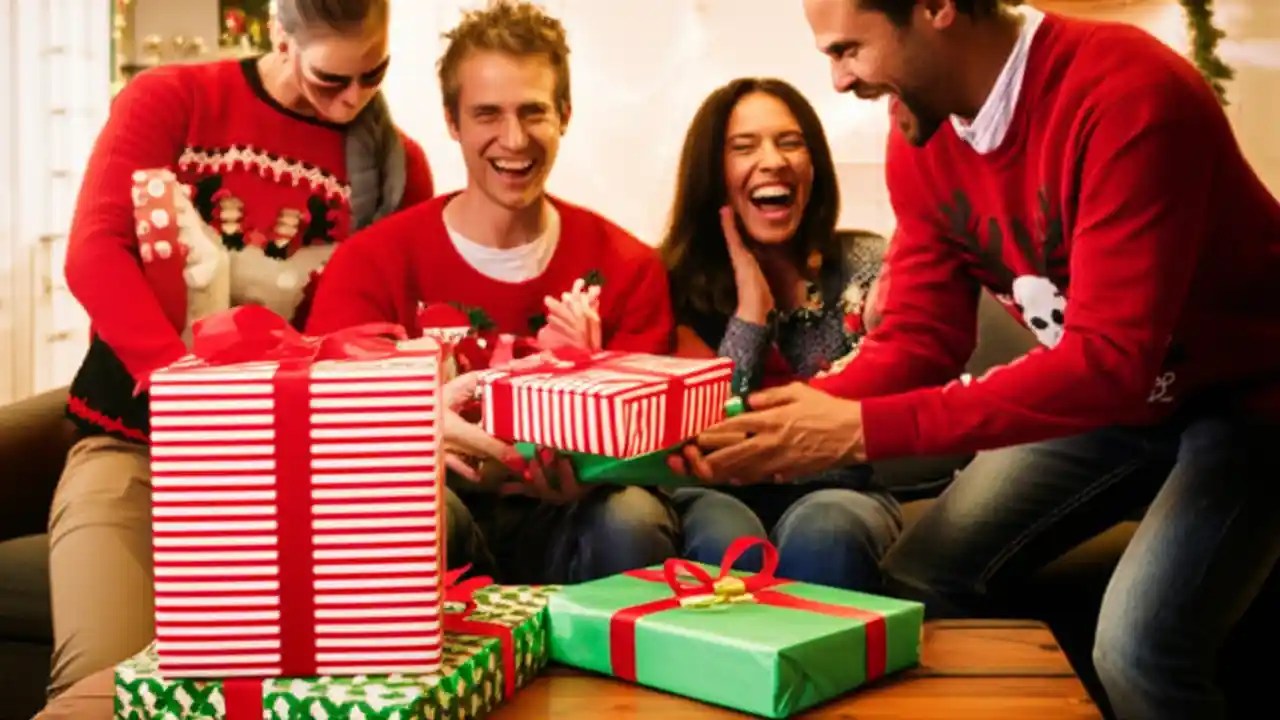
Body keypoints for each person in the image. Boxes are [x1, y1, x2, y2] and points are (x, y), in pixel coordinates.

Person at [673, 1, 1280, 719]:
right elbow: (921, 338)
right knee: (917, 578)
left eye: (848, 50)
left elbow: (1110, 361)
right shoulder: (921, 136)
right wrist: (772, 420)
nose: (837, 81)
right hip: (1114, 400)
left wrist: (863, 428)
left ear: (936, 9)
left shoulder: (1129, 93)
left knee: (1138, 649)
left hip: (1251, 399)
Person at [48, 0, 436, 699]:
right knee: (104, 692)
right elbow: (93, 255)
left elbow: (386, 332)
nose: (353, 99)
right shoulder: (174, 101)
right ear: (279, 37)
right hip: (138, 449)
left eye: (373, 73)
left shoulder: (400, 167)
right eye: (330, 80)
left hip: (297, 480)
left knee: (331, 692)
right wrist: (188, 392)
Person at [305, 0, 680, 586]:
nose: (513, 139)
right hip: (440, 516)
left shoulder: (626, 266)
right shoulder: (371, 263)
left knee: (632, 516)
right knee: (418, 514)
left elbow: (654, 438)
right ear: (452, 121)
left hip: (574, 523)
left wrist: (594, 463)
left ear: (564, 115)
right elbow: (324, 422)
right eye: (487, 114)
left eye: (533, 112)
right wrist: (414, 434)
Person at [660, 77, 901, 589]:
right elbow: (710, 441)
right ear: (714, 175)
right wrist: (751, 313)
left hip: (845, 493)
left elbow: (876, 420)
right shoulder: (670, 285)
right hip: (718, 498)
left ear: (813, 166)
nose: (773, 160)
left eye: (790, 142)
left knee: (826, 528)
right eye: (744, 147)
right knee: (727, 540)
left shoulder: (866, 263)